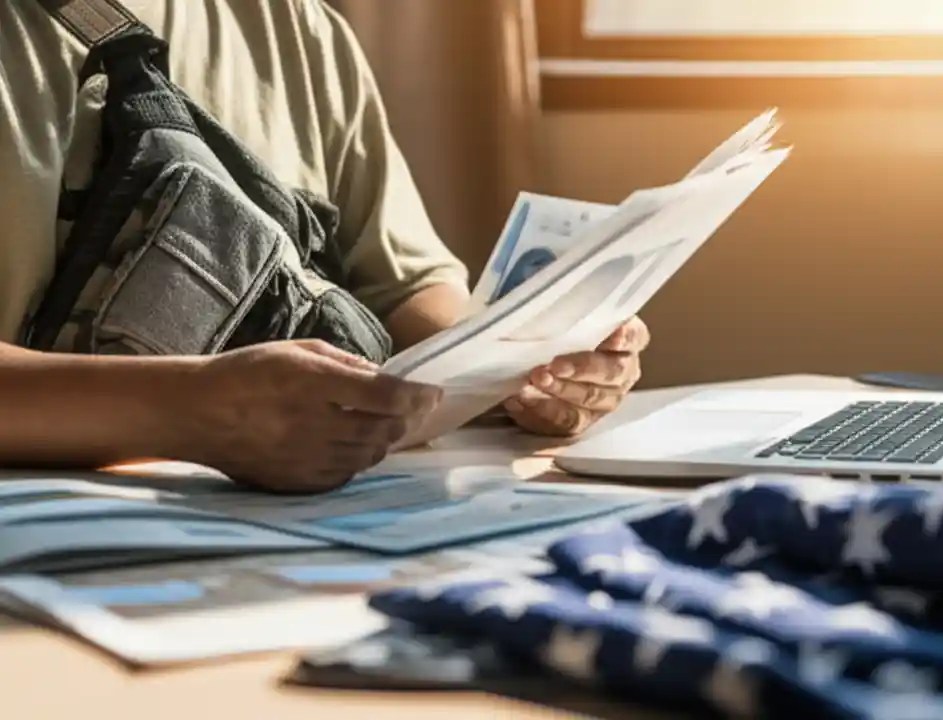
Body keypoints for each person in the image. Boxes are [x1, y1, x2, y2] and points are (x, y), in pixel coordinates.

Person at [0, 0, 649, 493]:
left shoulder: (295, 27)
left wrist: (525, 367)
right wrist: (192, 411)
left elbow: (404, 287)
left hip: (287, 526)